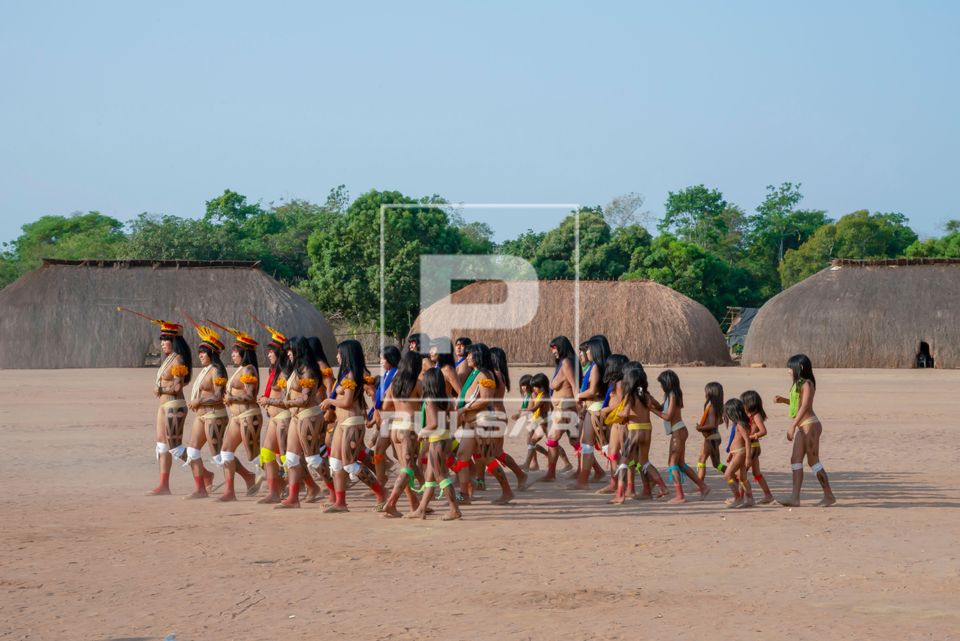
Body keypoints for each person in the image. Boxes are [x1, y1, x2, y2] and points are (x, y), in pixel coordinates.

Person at [117, 307, 191, 496]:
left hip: (174, 404)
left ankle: (203, 472)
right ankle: (164, 485)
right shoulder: (168, 359)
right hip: (163, 406)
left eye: (166, 339)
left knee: (175, 447)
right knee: (162, 445)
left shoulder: (178, 360)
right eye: (162, 339)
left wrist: (161, 390)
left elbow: (177, 387)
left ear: (174, 341)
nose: (163, 343)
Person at [319, 339, 386, 512]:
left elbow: (347, 402)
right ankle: (340, 502)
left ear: (347, 355)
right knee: (335, 462)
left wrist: (329, 401)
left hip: (352, 423)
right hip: (342, 423)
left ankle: (381, 493)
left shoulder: (352, 376)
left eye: (339, 354)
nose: (337, 357)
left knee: (349, 464)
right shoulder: (347, 374)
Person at [208, 321, 262, 502]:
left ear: (243, 353)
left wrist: (231, 398)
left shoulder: (249, 369)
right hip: (236, 417)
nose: (232, 355)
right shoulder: (240, 369)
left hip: (248, 415)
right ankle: (229, 492)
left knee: (254, 455)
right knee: (226, 451)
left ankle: (281, 478)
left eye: (235, 352)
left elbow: (250, 395)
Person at [774, 354, 837, 507]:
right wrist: (783, 400)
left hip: (810, 425)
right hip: (802, 426)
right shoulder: (798, 384)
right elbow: (797, 403)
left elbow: (805, 406)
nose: (788, 371)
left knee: (813, 461)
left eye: (790, 368)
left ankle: (829, 495)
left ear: (800, 367)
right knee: (795, 459)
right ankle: (795, 497)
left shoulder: (807, 384)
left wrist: (793, 425)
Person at [275, 336, 327, 509]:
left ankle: (334, 492)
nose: (288, 353)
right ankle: (293, 498)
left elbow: (305, 399)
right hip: (296, 417)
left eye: (290, 350)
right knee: (291, 458)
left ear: (299, 350)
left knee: (313, 459)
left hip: (308, 416)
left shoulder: (309, 371)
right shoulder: (296, 370)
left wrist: (278, 402)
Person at [181, 313, 227, 499]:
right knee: (192, 451)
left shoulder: (216, 371)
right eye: (199, 352)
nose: (200, 355)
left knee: (219, 455)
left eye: (203, 352)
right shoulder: (205, 371)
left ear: (211, 354)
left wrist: (199, 401)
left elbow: (218, 396)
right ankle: (200, 489)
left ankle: (248, 475)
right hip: (201, 416)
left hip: (214, 415)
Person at [406, 368, 461, 520]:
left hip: (437, 441)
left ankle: (455, 509)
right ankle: (421, 509)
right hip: (445, 438)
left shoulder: (430, 400)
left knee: (440, 476)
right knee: (429, 478)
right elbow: (453, 418)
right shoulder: (446, 397)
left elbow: (434, 423)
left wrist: (423, 431)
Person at [651, 370, 710, 503]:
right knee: (681, 463)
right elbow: (662, 408)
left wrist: (651, 410)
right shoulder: (671, 395)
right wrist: (651, 402)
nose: (661, 386)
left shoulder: (672, 395)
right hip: (679, 430)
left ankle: (680, 495)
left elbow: (668, 416)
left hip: (678, 431)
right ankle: (703, 486)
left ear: (667, 383)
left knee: (672, 463)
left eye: (662, 384)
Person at [252, 318, 292, 504]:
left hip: (284, 417)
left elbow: (287, 400)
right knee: (267, 454)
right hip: (274, 418)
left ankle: (304, 487)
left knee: (286, 457)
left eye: (271, 351)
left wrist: (269, 400)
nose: (268, 354)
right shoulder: (273, 371)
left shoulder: (285, 373)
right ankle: (274, 491)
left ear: (279, 353)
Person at [380, 350, 424, 517]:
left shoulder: (394, 383)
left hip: (396, 428)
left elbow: (385, 407)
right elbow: (427, 405)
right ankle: (391, 503)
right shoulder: (417, 384)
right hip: (409, 428)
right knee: (408, 469)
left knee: (406, 468)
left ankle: (414, 504)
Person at [619, 361, 668, 500]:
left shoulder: (630, 396)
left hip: (634, 432)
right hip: (647, 430)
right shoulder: (646, 395)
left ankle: (620, 494)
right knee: (644, 462)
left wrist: (616, 413)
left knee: (623, 461)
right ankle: (663, 486)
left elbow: (625, 413)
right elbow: (659, 407)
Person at [542, 336, 578, 482]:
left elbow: (574, 385)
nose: (553, 351)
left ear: (561, 347)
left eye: (554, 348)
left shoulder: (566, 363)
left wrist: (579, 406)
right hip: (561, 409)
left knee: (552, 438)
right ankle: (597, 471)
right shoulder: (562, 364)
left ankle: (551, 474)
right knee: (575, 441)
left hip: (566, 409)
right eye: (551, 348)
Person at [368, 345, 401, 490]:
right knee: (379, 451)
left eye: (382, 358)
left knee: (399, 455)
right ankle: (381, 482)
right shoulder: (387, 374)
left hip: (394, 418)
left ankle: (414, 481)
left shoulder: (397, 374)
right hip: (387, 419)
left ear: (390, 359)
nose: (380, 361)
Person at [740, 390, 774, 504]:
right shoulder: (752, 415)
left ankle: (740, 497)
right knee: (756, 473)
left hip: (752, 447)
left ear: (750, 403)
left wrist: (750, 437)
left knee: (741, 473)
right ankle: (768, 495)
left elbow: (763, 431)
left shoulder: (756, 416)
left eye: (744, 403)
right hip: (754, 446)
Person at [722, 398, 755, 509]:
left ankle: (738, 497)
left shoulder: (740, 425)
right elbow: (737, 440)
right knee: (743, 478)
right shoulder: (739, 424)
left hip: (740, 453)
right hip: (737, 453)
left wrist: (748, 457)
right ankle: (750, 499)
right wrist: (731, 454)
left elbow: (747, 440)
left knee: (727, 475)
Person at [695, 382, 727, 482]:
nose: (705, 394)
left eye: (706, 391)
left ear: (711, 393)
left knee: (701, 460)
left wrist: (700, 428)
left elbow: (712, 425)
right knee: (717, 464)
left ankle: (700, 485)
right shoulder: (717, 407)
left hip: (711, 438)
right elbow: (720, 421)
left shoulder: (712, 407)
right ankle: (734, 475)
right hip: (714, 437)